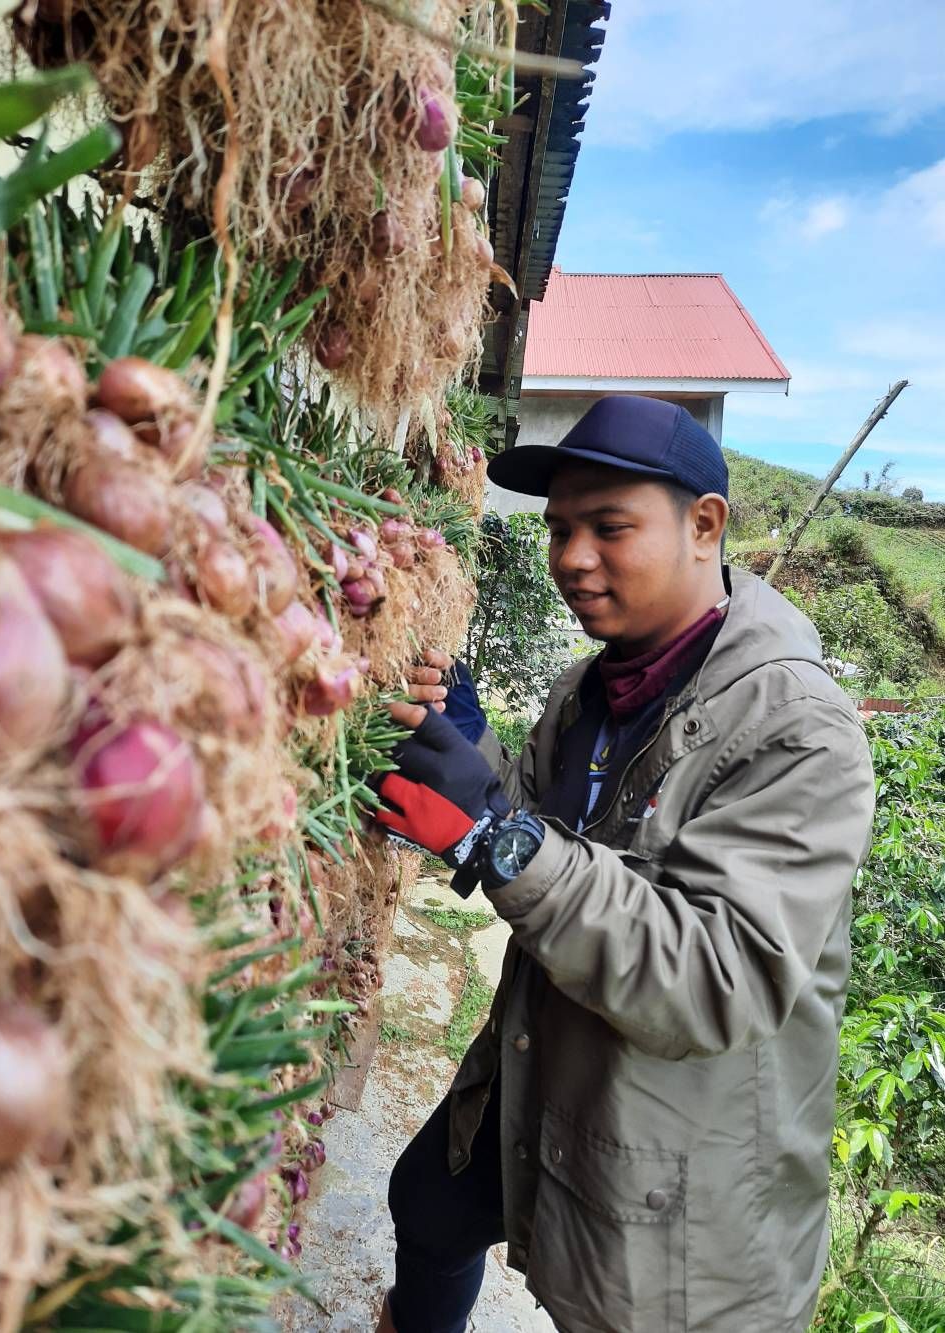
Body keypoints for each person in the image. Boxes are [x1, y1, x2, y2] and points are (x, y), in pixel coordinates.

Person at [374, 395, 875, 1333]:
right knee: (429, 1203)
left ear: (705, 525)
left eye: (610, 527)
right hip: (542, 1069)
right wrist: (471, 751)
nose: (571, 557)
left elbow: (718, 977)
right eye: (560, 528)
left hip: (677, 1156)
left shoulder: (797, 727)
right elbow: (533, 833)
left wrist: (492, 833)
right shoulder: (596, 683)